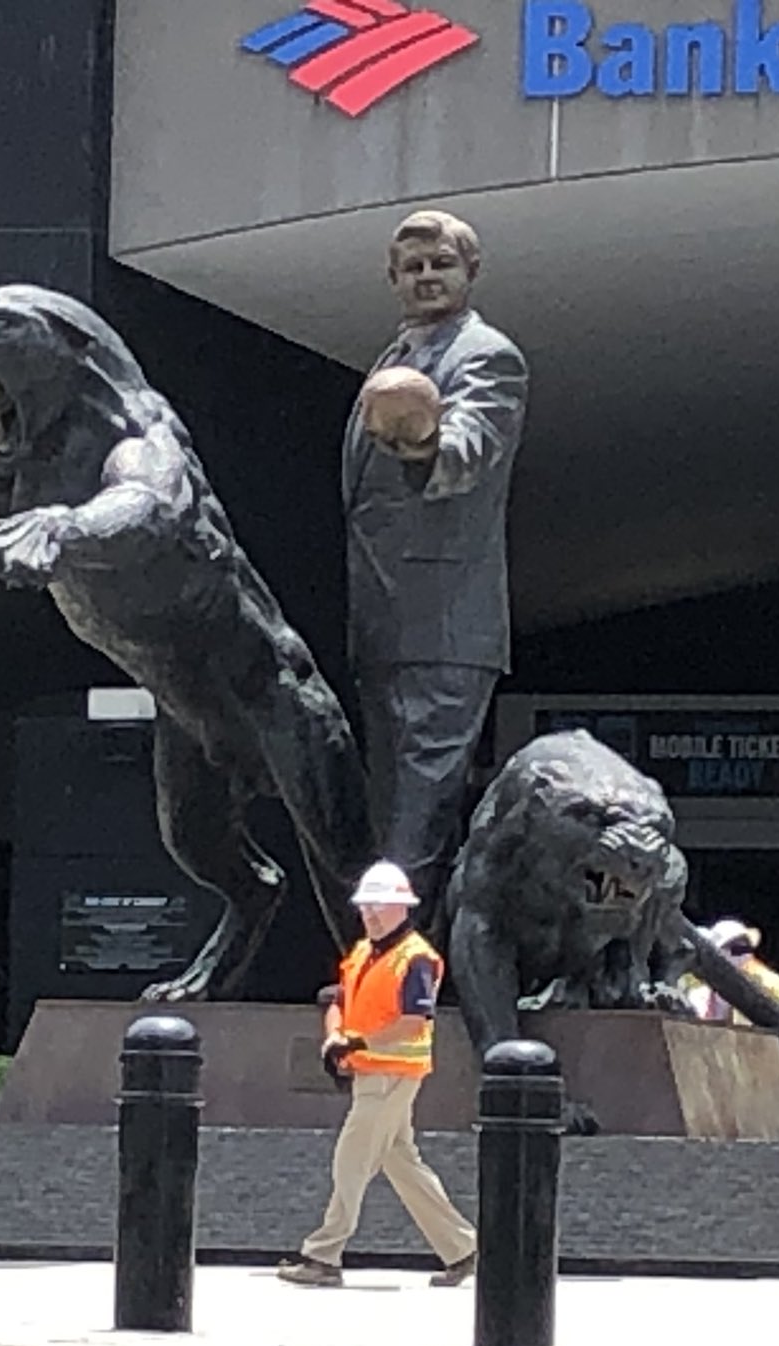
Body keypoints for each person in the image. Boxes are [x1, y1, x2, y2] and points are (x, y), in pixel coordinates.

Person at [342, 209, 530, 917]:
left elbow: (469, 445)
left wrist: (427, 445)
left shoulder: (486, 356)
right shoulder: (396, 358)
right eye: (412, 266)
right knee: (394, 808)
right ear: (392, 279)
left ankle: (398, 972)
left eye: (441, 263)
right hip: (386, 625)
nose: (426, 277)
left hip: (446, 627)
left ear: (470, 272)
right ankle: (400, 963)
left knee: (416, 814)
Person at [276, 861, 478, 1289]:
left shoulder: (416, 958)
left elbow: (413, 1020)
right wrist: (336, 1039)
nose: (369, 913)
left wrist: (356, 1043)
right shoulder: (365, 953)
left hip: (391, 1075)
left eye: (378, 906)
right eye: (366, 906)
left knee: (351, 1160)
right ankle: (462, 1249)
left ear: (401, 908)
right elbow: (337, 999)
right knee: (402, 1163)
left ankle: (323, 1255)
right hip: (375, 1073)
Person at [684, 918, 779, 1024]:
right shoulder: (699, 992)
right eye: (733, 947)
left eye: (742, 946)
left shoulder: (777, 986)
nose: (740, 953)